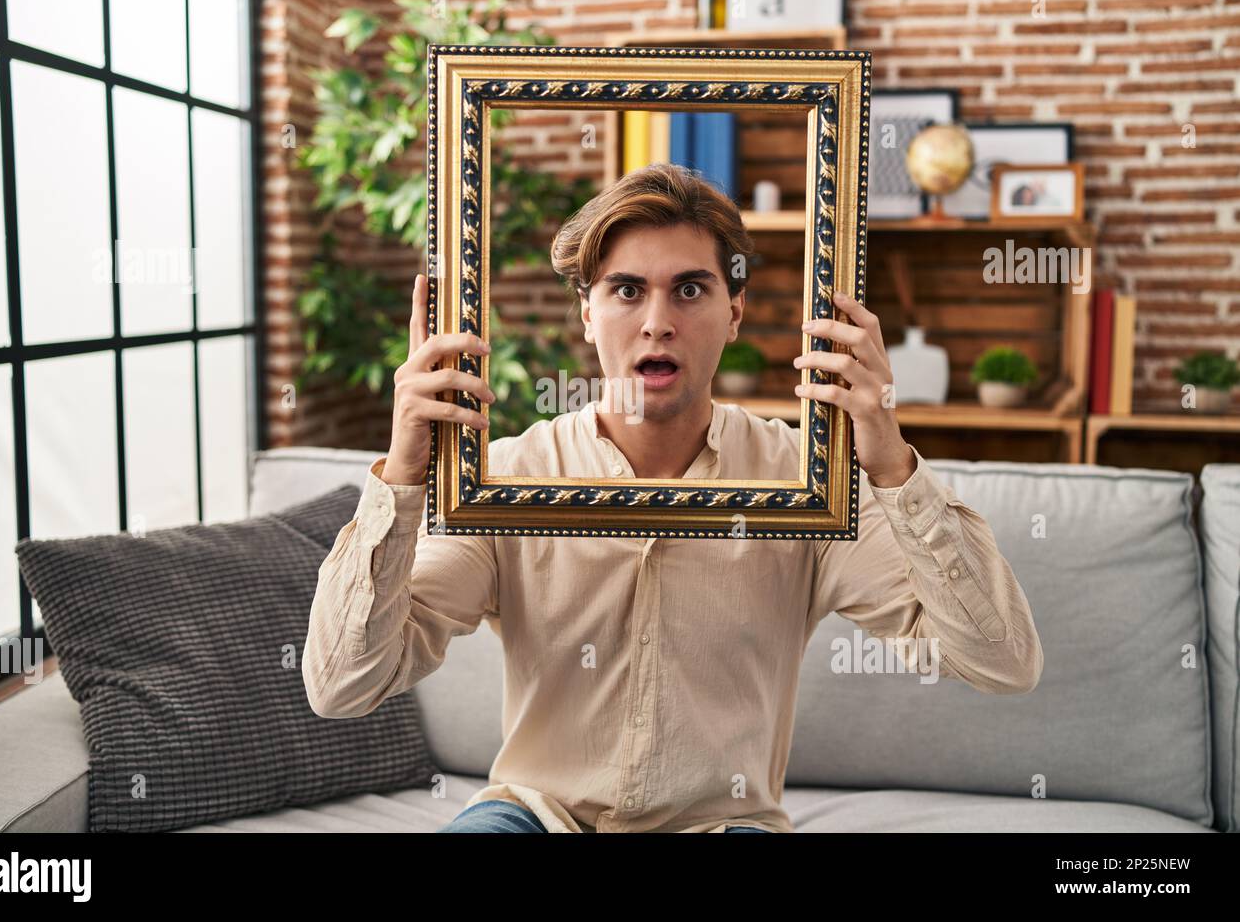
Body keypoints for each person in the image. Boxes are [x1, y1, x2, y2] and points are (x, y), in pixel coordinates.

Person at [301, 163, 1044, 834]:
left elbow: (1003, 660)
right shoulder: (508, 477)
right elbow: (341, 687)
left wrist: (891, 463)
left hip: (724, 825)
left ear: (736, 313)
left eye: (690, 289)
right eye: (627, 290)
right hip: (535, 817)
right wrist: (400, 478)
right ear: (587, 314)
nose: (658, 319)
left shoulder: (805, 484)